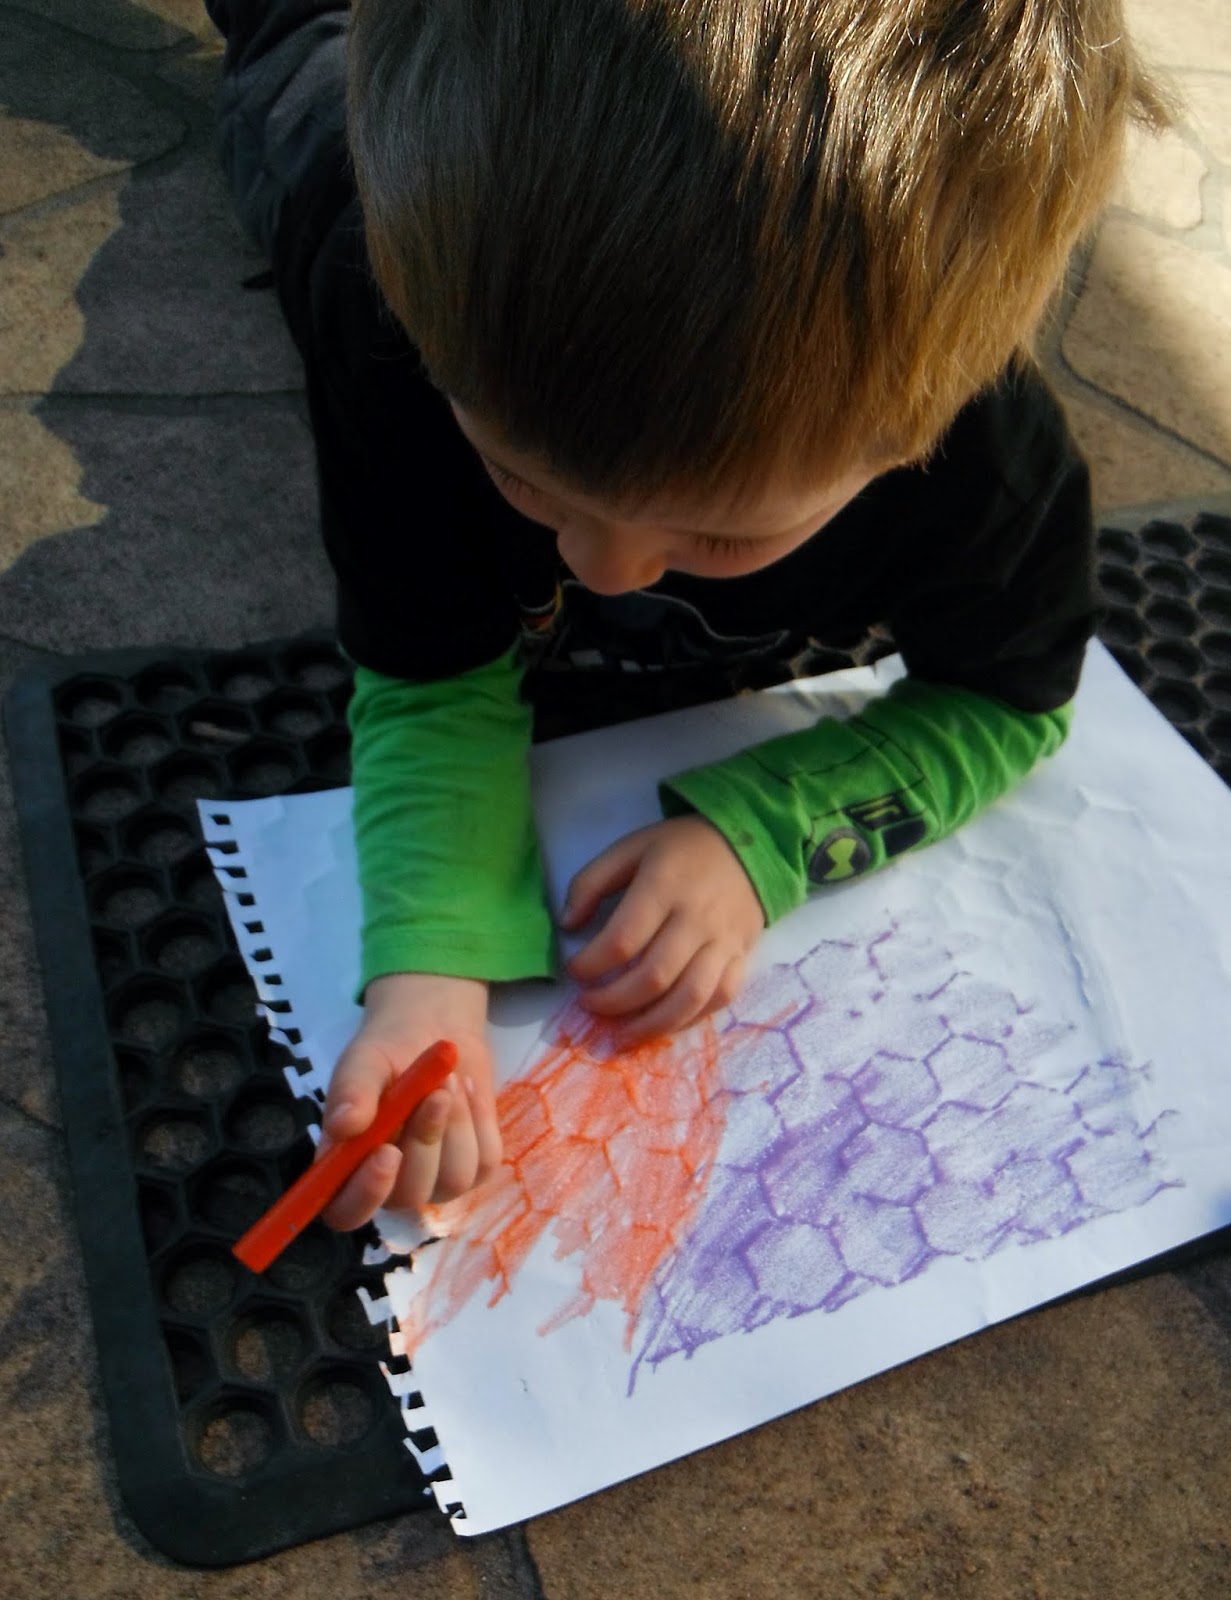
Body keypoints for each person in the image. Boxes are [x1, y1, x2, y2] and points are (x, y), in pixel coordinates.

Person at [205, 0, 1165, 1228]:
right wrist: (427, 964)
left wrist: (764, 839)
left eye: (719, 532)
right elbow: (433, 668)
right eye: (515, 474)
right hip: (328, 128)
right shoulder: (382, 301)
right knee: (289, 62)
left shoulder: (987, 464)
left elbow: (1010, 696)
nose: (604, 571)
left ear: (921, 430)